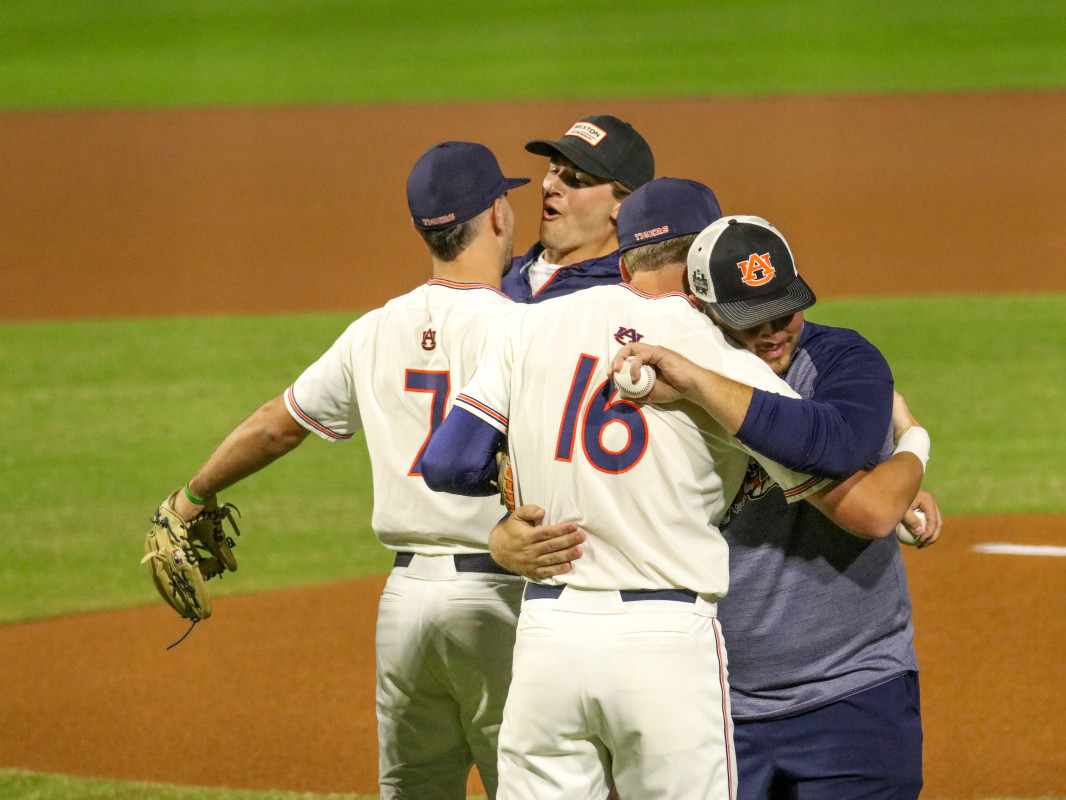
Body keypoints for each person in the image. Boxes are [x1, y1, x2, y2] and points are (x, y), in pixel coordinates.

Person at [420, 179, 930, 799]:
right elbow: (846, 469)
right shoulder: (712, 354)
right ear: (703, 280)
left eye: (782, 308)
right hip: (678, 657)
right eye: (750, 314)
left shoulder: (538, 329)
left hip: (563, 640)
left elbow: (449, 463)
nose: (770, 332)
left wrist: (510, 511)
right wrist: (912, 442)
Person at [158, 141, 531, 800]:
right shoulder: (521, 333)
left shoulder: (373, 330)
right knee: (533, 787)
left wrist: (190, 497)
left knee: (413, 787)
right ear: (498, 216)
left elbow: (277, 425)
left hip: (405, 607)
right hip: (499, 601)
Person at [501, 114, 655, 303]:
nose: (551, 186)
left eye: (578, 180)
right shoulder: (498, 276)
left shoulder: (625, 298)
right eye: (553, 170)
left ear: (624, 205)